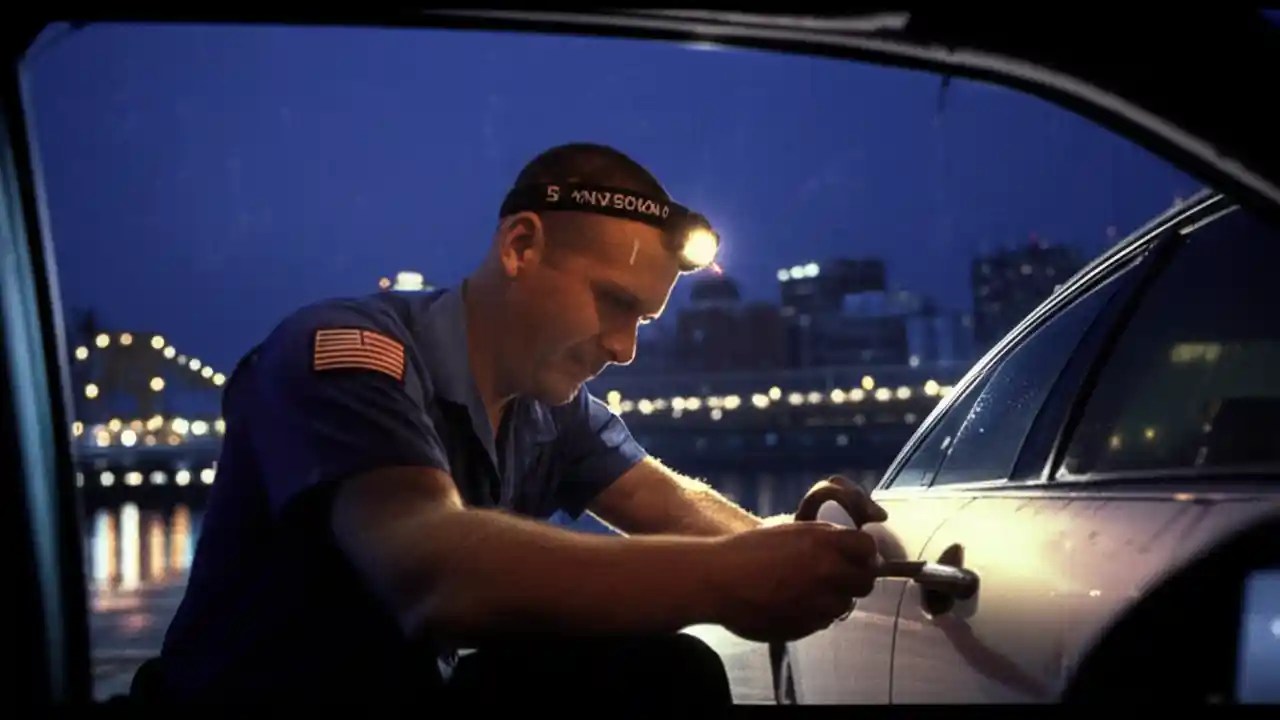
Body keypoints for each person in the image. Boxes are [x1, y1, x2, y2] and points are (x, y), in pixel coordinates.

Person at [135, 142, 887, 709]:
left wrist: (800, 549)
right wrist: (727, 579)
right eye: (615, 303)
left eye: (644, 321)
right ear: (520, 246)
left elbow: (673, 505)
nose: (625, 348)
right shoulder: (346, 354)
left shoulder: (549, 408)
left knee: (668, 672)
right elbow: (433, 572)